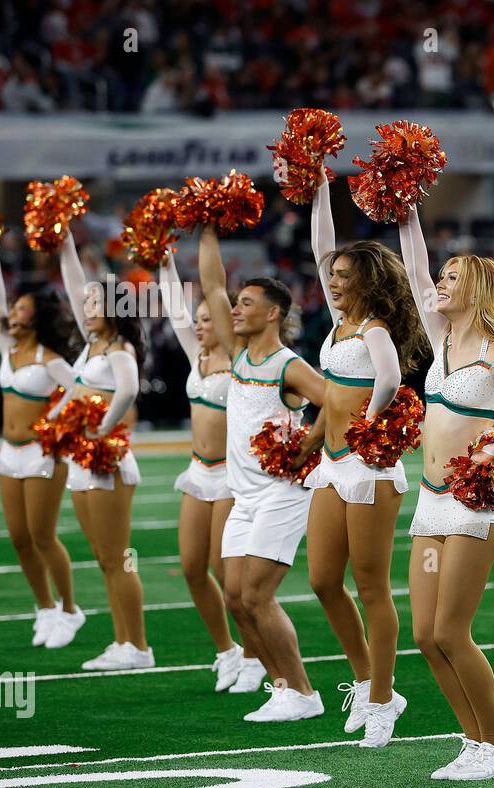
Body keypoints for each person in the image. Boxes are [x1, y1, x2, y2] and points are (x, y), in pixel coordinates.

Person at [399, 203, 494, 779]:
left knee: (449, 630)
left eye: (453, 278)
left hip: (471, 504)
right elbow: (415, 273)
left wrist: (492, 449)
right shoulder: (440, 339)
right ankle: (474, 743)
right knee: (423, 634)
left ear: (479, 289)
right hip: (429, 500)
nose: (440, 284)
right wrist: (409, 208)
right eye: (442, 277)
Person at [303, 170, 428, 743]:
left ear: (366, 284)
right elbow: (321, 245)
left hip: (369, 469)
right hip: (331, 467)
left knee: (372, 586)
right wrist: (320, 188)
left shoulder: (375, 328)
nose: (333, 282)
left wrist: (370, 426)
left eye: (344, 277)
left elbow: (390, 379)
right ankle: (365, 678)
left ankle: (382, 698)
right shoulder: (338, 324)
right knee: (324, 580)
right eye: (331, 277)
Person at [199, 224, 328, 722]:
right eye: (238, 302)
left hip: (282, 492)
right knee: (235, 596)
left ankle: (302, 691)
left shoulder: (287, 365)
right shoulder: (238, 355)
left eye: (247, 303)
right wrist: (208, 226)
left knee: (256, 594)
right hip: (243, 495)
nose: (235, 309)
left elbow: (334, 402)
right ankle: (283, 687)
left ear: (274, 313)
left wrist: (307, 446)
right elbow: (212, 285)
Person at [159, 251, 263, 692]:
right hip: (196, 472)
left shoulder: (240, 361)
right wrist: (164, 260)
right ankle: (227, 651)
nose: (199, 325)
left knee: (227, 574)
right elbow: (173, 308)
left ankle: (256, 655)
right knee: (190, 567)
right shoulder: (194, 356)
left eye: (207, 319)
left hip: (228, 476)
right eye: (197, 320)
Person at [56, 228, 149, 671]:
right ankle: (121, 642)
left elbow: (128, 391)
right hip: (81, 461)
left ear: (115, 310)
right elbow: (76, 283)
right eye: (87, 304)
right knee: (104, 557)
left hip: (106, 459)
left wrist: (102, 430)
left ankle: (138, 647)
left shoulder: (119, 347)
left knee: (118, 556)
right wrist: (65, 241)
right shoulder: (93, 342)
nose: (88, 309)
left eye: (97, 304)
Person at [0, 242, 84, 648]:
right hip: (9, 452)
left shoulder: (49, 358)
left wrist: (54, 421)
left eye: (23, 308)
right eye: (15, 307)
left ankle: (70, 609)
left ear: (38, 318)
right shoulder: (8, 349)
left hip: (43, 452)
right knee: (19, 537)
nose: (13, 312)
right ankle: (44, 607)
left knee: (43, 536)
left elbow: (80, 390)